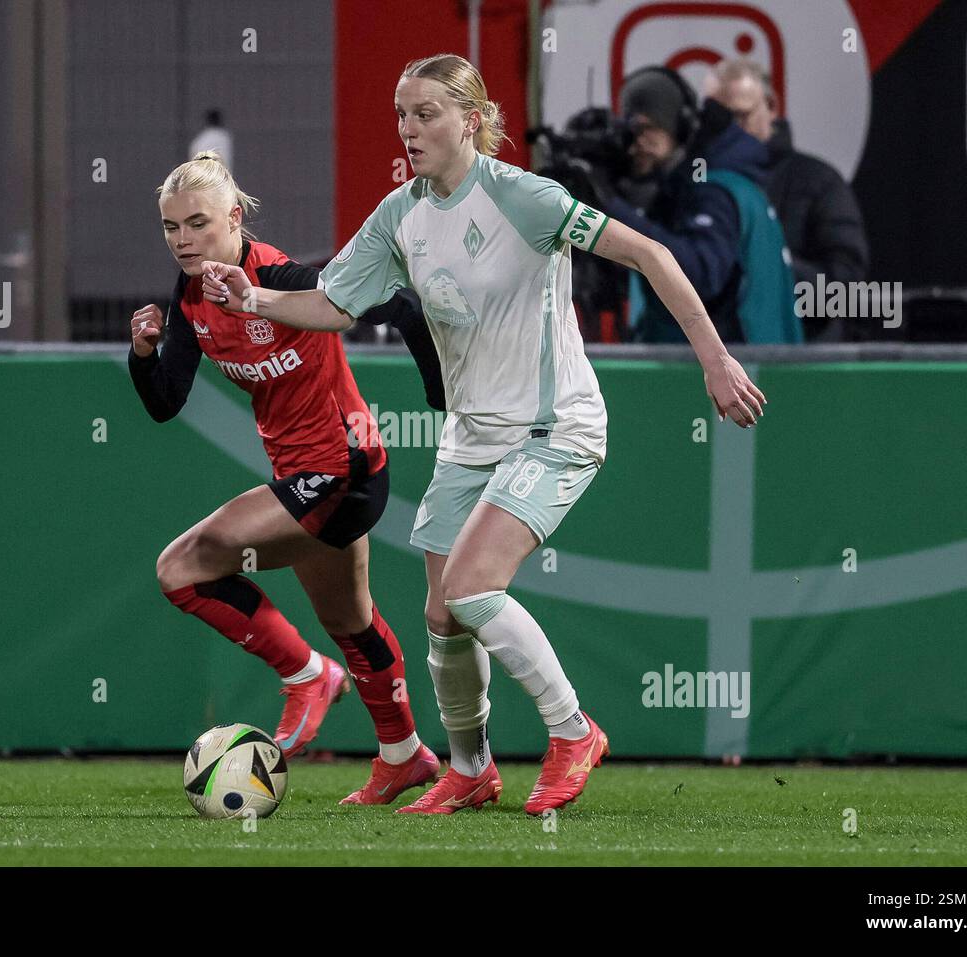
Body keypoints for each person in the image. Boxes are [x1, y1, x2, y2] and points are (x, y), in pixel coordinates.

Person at [200, 54, 767, 815]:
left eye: (426, 113)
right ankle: (471, 768)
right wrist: (253, 295)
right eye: (402, 114)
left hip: (554, 425)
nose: (409, 129)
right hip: (471, 439)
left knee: (472, 588)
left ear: (471, 120)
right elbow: (335, 305)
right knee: (440, 613)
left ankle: (574, 730)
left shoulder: (524, 197)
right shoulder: (400, 213)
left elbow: (651, 254)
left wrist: (716, 360)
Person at [129, 151, 444, 805]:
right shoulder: (190, 299)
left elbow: (406, 309)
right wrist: (141, 354)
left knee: (179, 568)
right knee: (353, 622)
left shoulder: (289, 277)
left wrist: (444, 398)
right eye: (170, 227)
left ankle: (305, 675)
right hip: (304, 479)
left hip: (344, 471)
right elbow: (165, 403)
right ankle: (404, 755)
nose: (183, 240)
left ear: (235, 218)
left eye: (198, 223)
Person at [607, 65, 801, 344]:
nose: (637, 143)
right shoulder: (698, 186)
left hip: (738, 372)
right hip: (740, 370)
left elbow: (700, 275)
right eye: (632, 130)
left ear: (680, 127)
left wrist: (611, 211)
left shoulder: (715, 190)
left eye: (648, 128)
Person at [705, 58, 869, 341]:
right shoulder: (694, 184)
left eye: (740, 117)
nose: (729, 133)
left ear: (770, 106)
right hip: (708, 363)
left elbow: (848, 291)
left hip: (803, 365)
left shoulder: (819, 182)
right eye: (718, 122)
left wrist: (768, 263)